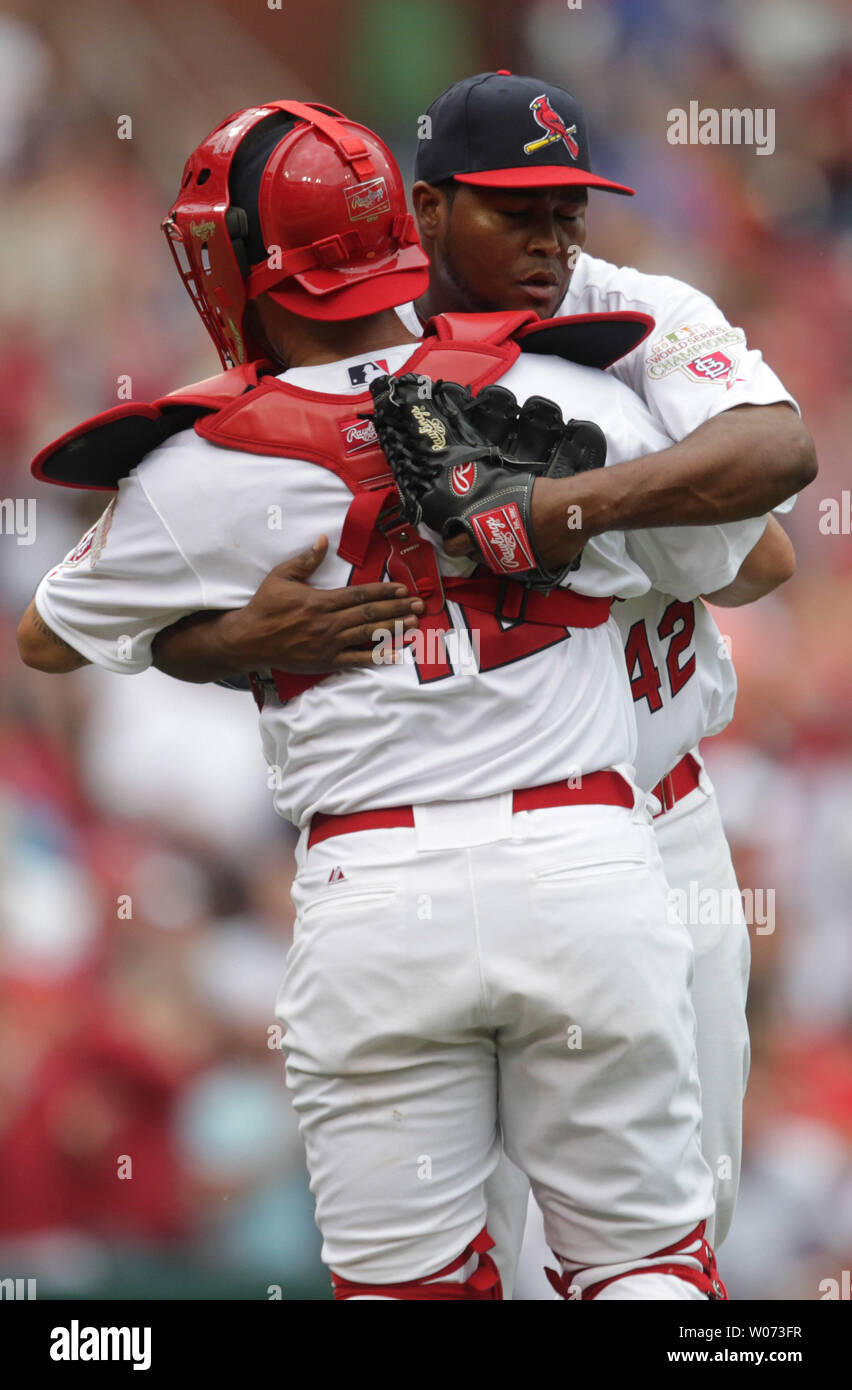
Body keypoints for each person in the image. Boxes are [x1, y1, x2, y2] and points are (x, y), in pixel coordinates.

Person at [17, 100, 790, 1299]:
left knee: (411, 1283)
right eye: (517, 209)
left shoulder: (198, 462)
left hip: (385, 886)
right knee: (650, 1261)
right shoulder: (573, 393)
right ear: (418, 219)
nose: (552, 237)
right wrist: (563, 512)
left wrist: (236, 635)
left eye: (563, 211)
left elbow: (51, 638)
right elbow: (750, 552)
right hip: (592, 851)